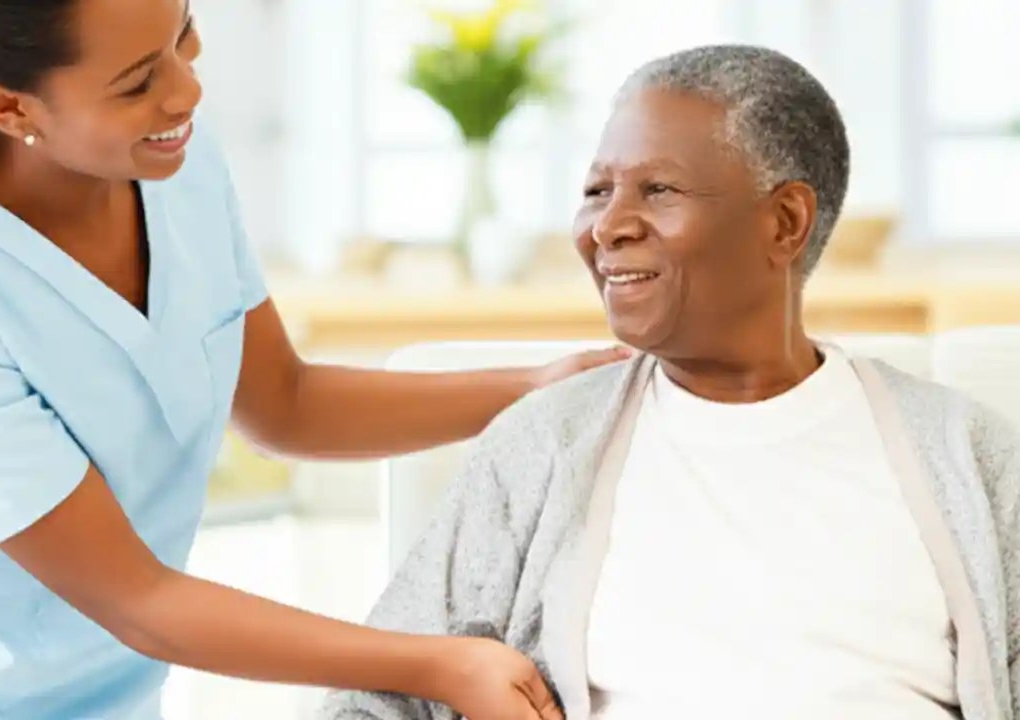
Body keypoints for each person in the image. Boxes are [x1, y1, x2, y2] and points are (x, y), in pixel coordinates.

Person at [0, 1, 631, 718]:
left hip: (106, 694)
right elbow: (141, 600)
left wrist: (536, 389)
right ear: (12, 108)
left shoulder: (178, 167)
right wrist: (434, 665)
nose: (186, 92)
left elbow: (285, 403)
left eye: (181, 34)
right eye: (138, 81)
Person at [320, 45, 1020, 720]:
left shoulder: (965, 453)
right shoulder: (546, 445)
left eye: (658, 190)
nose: (609, 226)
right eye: (597, 191)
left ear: (785, 223)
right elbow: (370, 701)